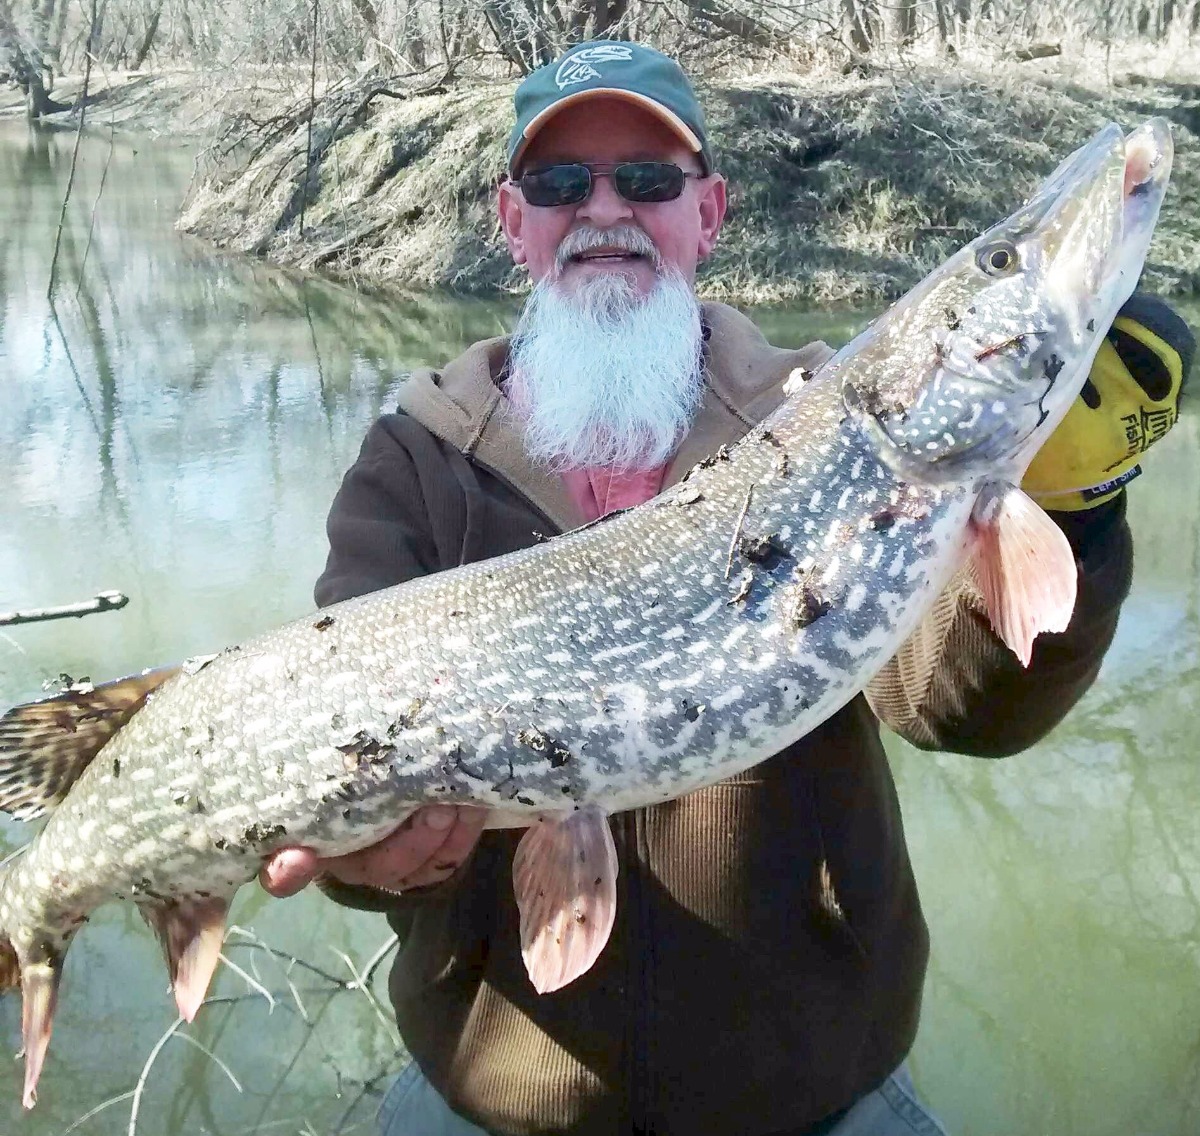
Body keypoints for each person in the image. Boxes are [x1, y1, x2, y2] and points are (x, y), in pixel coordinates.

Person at [260, 41, 1195, 1136]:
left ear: (709, 215)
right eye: (562, 184)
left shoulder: (821, 422)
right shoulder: (414, 463)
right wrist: (375, 862)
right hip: (496, 1090)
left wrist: (1074, 505)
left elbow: (965, 705)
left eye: (647, 181)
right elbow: (328, 789)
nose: (603, 210)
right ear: (513, 225)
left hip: (808, 1086)